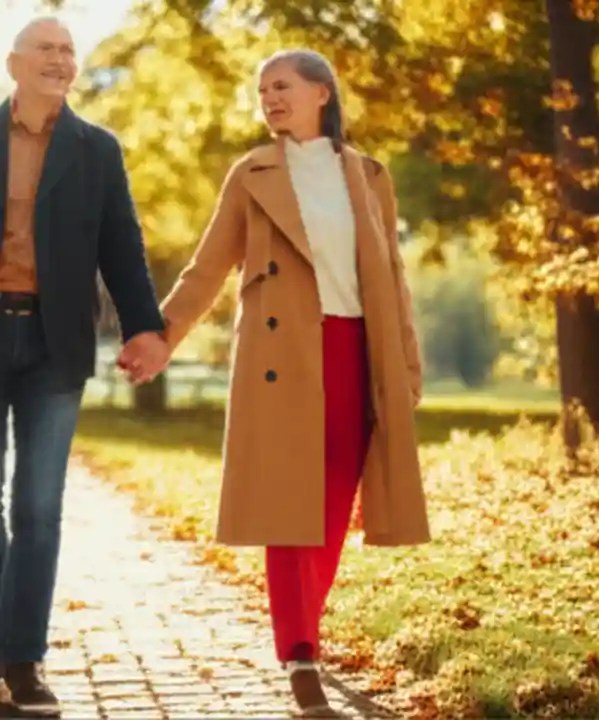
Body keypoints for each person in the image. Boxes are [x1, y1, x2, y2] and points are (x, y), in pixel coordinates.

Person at [154, 49, 429, 717]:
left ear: (321, 95)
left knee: (334, 506)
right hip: (284, 357)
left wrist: (406, 363)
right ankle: (301, 652)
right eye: (262, 90)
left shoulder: (367, 174)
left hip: (357, 348)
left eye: (282, 87)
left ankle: (307, 627)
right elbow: (207, 267)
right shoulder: (251, 173)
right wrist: (160, 336)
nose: (269, 99)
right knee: (290, 507)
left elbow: (391, 273)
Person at [0, 17, 170, 718]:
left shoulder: (96, 149)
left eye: (70, 50)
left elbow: (121, 245)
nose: (62, 60)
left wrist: (147, 328)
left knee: (38, 510)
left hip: (55, 343)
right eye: (47, 48)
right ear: (14, 63)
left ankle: (22, 662)